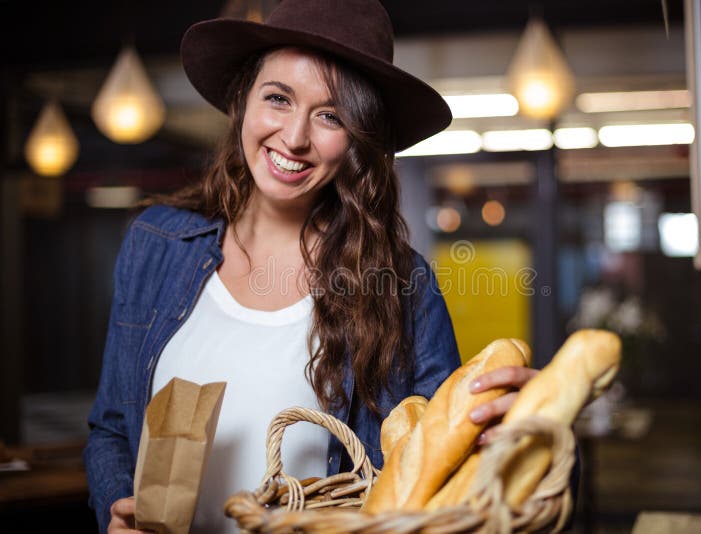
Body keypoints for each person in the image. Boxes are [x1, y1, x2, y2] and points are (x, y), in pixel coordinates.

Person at [83, 1, 541, 532]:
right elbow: (112, 428)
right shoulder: (157, 244)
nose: (295, 138)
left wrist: (513, 435)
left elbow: (441, 470)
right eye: (278, 98)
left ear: (359, 141)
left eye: (330, 116)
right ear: (243, 103)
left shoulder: (401, 287)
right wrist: (115, 503)